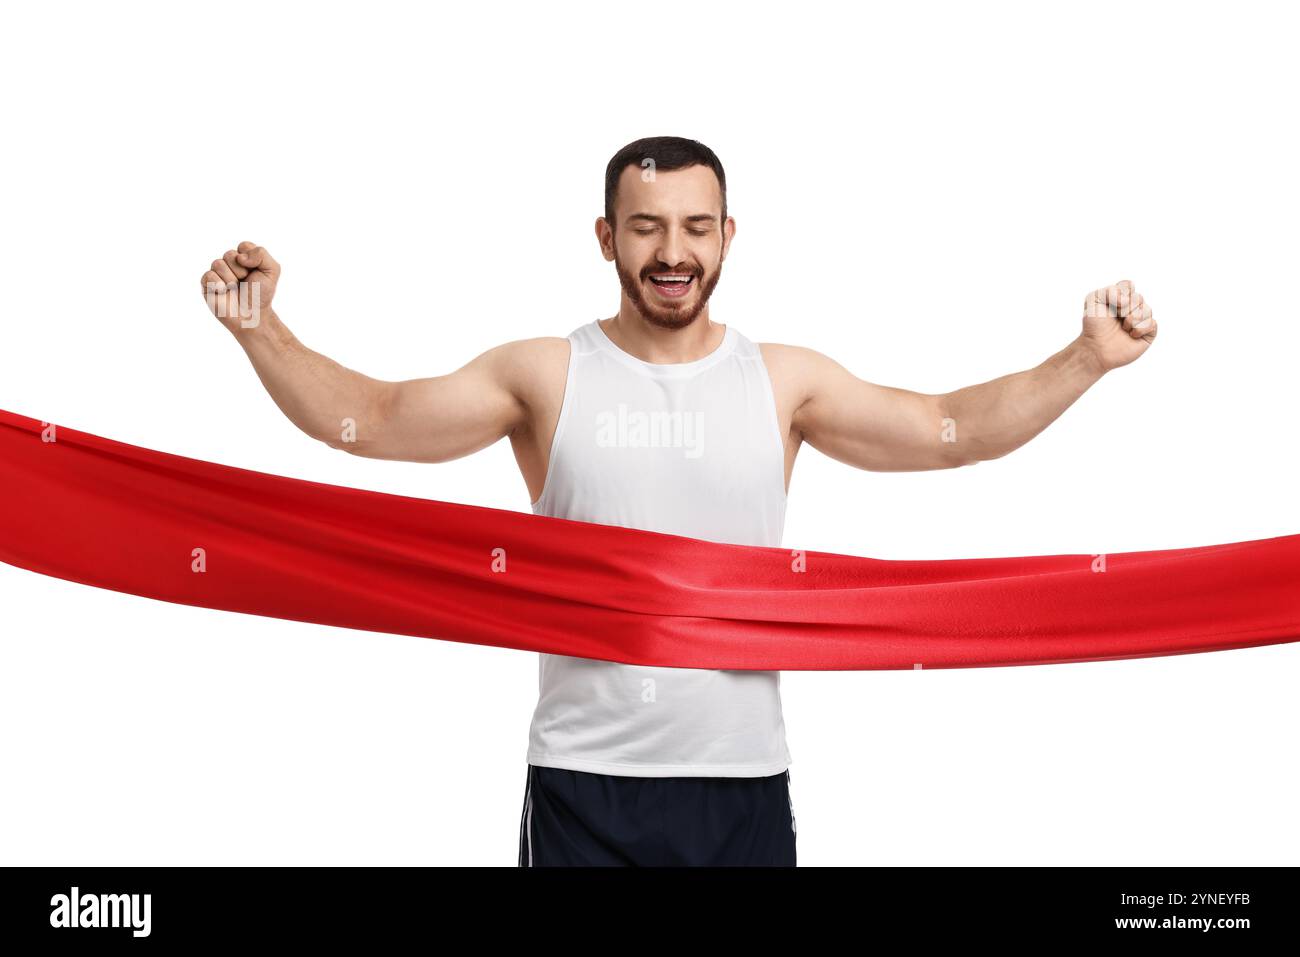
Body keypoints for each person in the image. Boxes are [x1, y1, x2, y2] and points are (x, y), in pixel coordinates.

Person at [198, 135, 1157, 867]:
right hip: (584, 784)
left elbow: (951, 428)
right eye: (647, 226)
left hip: (740, 784)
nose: (673, 251)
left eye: (697, 227)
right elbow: (368, 418)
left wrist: (1087, 358)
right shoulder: (546, 374)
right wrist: (260, 328)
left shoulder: (784, 383)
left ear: (727, 236)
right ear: (606, 237)